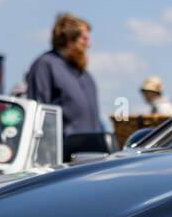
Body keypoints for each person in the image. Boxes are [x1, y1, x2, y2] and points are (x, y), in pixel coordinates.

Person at [25, 12, 110, 157]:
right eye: (84, 39)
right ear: (69, 40)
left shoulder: (84, 74)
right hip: (63, 158)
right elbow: (39, 115)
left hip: (91, 157)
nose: (89, 44)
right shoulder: (45, 65)